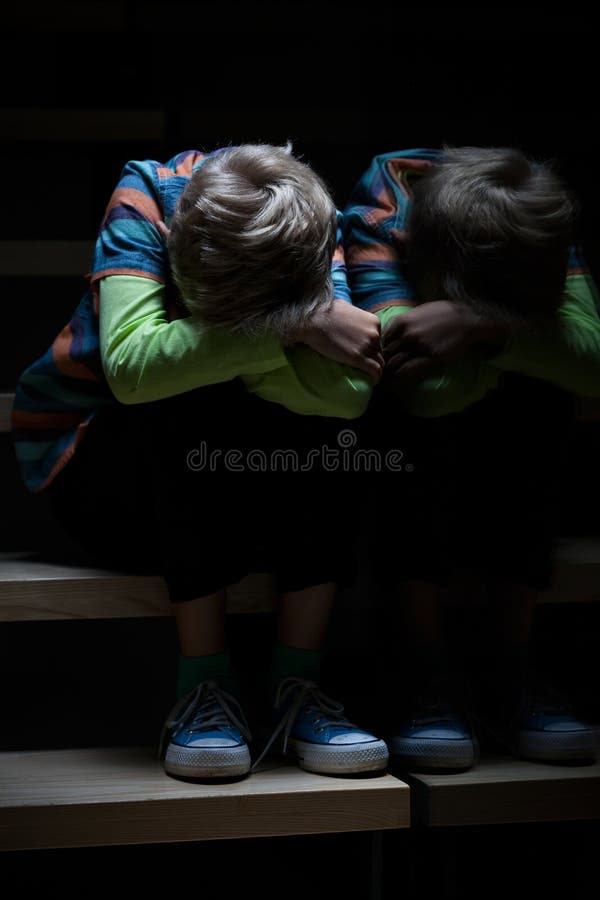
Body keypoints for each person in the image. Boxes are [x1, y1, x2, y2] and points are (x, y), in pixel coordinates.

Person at [12, 142, 389, 780]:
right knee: (182, 388)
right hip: (101, 478)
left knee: (322, 423)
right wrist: (294, 325)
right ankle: (204, 687)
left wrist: (248, 342)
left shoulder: (304, 217)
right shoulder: (147, 195)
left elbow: (349, 393)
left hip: (239, 491)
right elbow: (132, 369)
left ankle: (296, 688)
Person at [343, 145, 600, 770]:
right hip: (397, 441)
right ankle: (419, 672)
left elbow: (592, 358)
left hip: (500, 427)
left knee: (544, 397)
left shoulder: (532, 209)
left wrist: (482, 325)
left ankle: (506, 674)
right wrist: (511, 337)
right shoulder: (386, 207)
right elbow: (419, 386)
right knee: (395, 410)